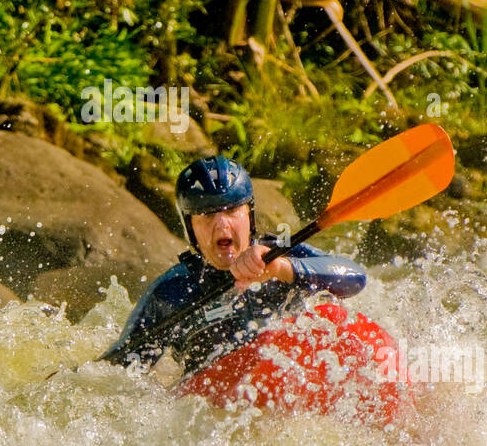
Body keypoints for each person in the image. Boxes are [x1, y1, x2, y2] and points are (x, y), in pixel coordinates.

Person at [102, 155, 368, 378]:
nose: (222, 225)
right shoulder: (171, 293)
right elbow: (116, 374)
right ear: (190, 228)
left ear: (249, 216)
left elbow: (356, 279)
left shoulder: (283, 254)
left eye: (231, 211)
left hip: (291, 381)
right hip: (217, 407)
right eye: (207, 216)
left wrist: (282, 269)